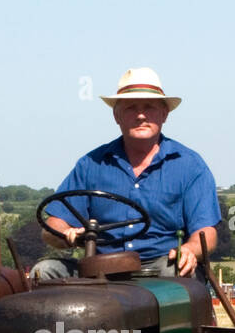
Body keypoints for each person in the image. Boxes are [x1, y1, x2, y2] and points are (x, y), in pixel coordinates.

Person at [34, 67, 220, 281]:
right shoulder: (91, 164)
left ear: (164, 114)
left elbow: (207, 232)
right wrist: (65, 235)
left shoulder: (190, 166)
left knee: (177, 273)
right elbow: (52, 225)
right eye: (131, 108)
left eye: (149, 107)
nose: (141, 115)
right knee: (45, 271)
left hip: (160, 265)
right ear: (117, 115)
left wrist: (189, 249)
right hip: (100, 265)